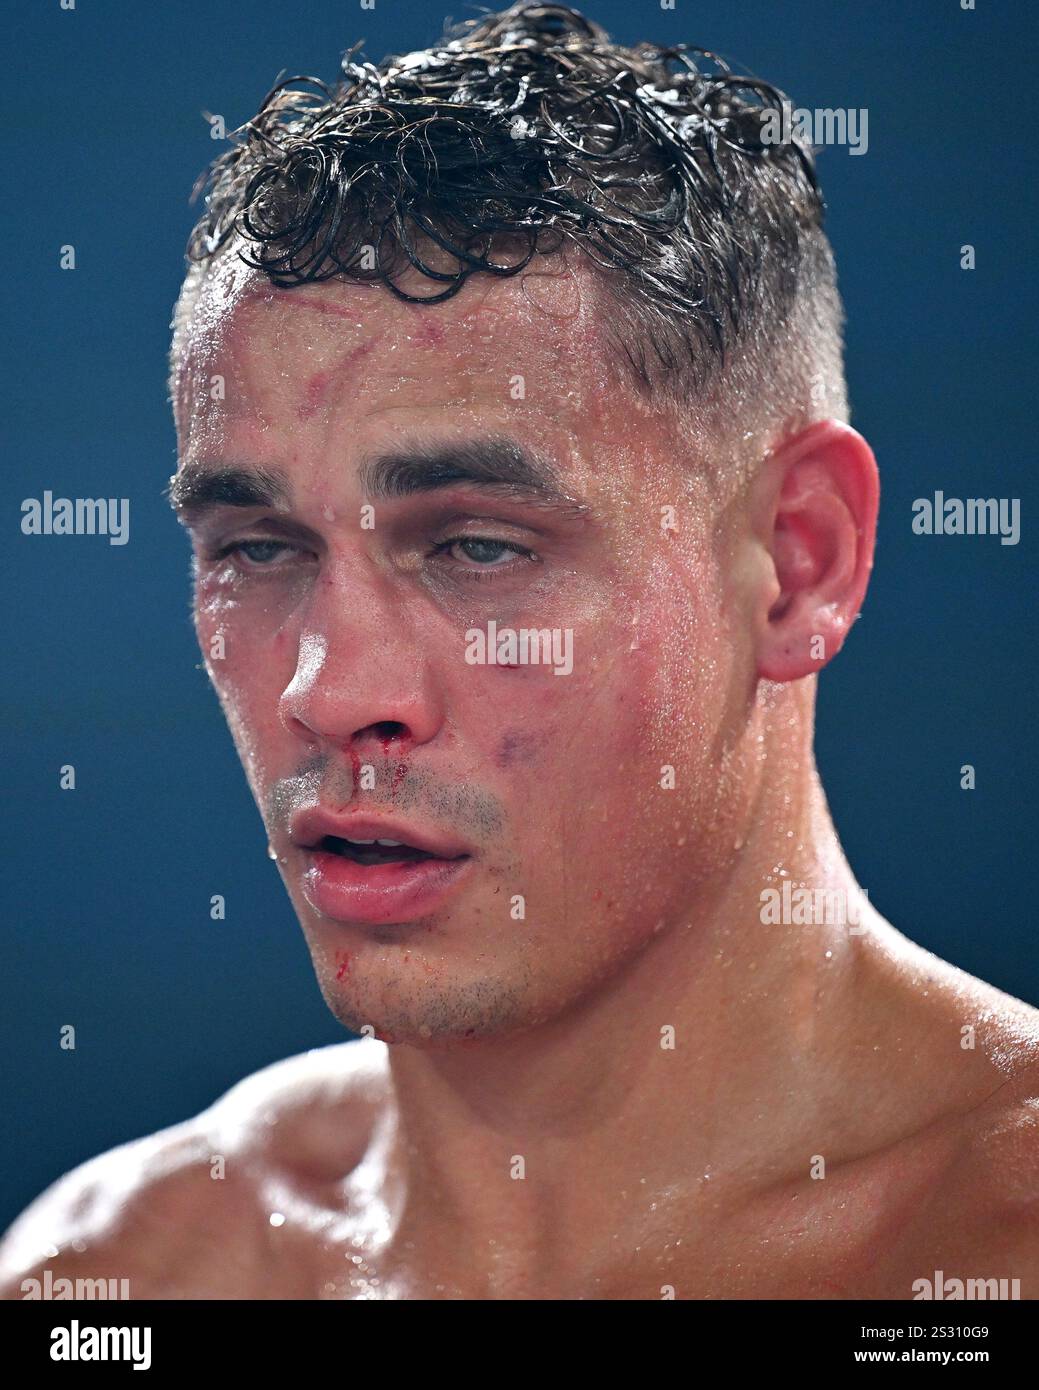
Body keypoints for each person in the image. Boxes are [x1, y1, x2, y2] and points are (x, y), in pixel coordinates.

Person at [3, 2, 1037, 1301]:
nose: (331, 694)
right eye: (259, 547)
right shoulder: (114, 1281)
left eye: (477, 545)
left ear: (796, 559)